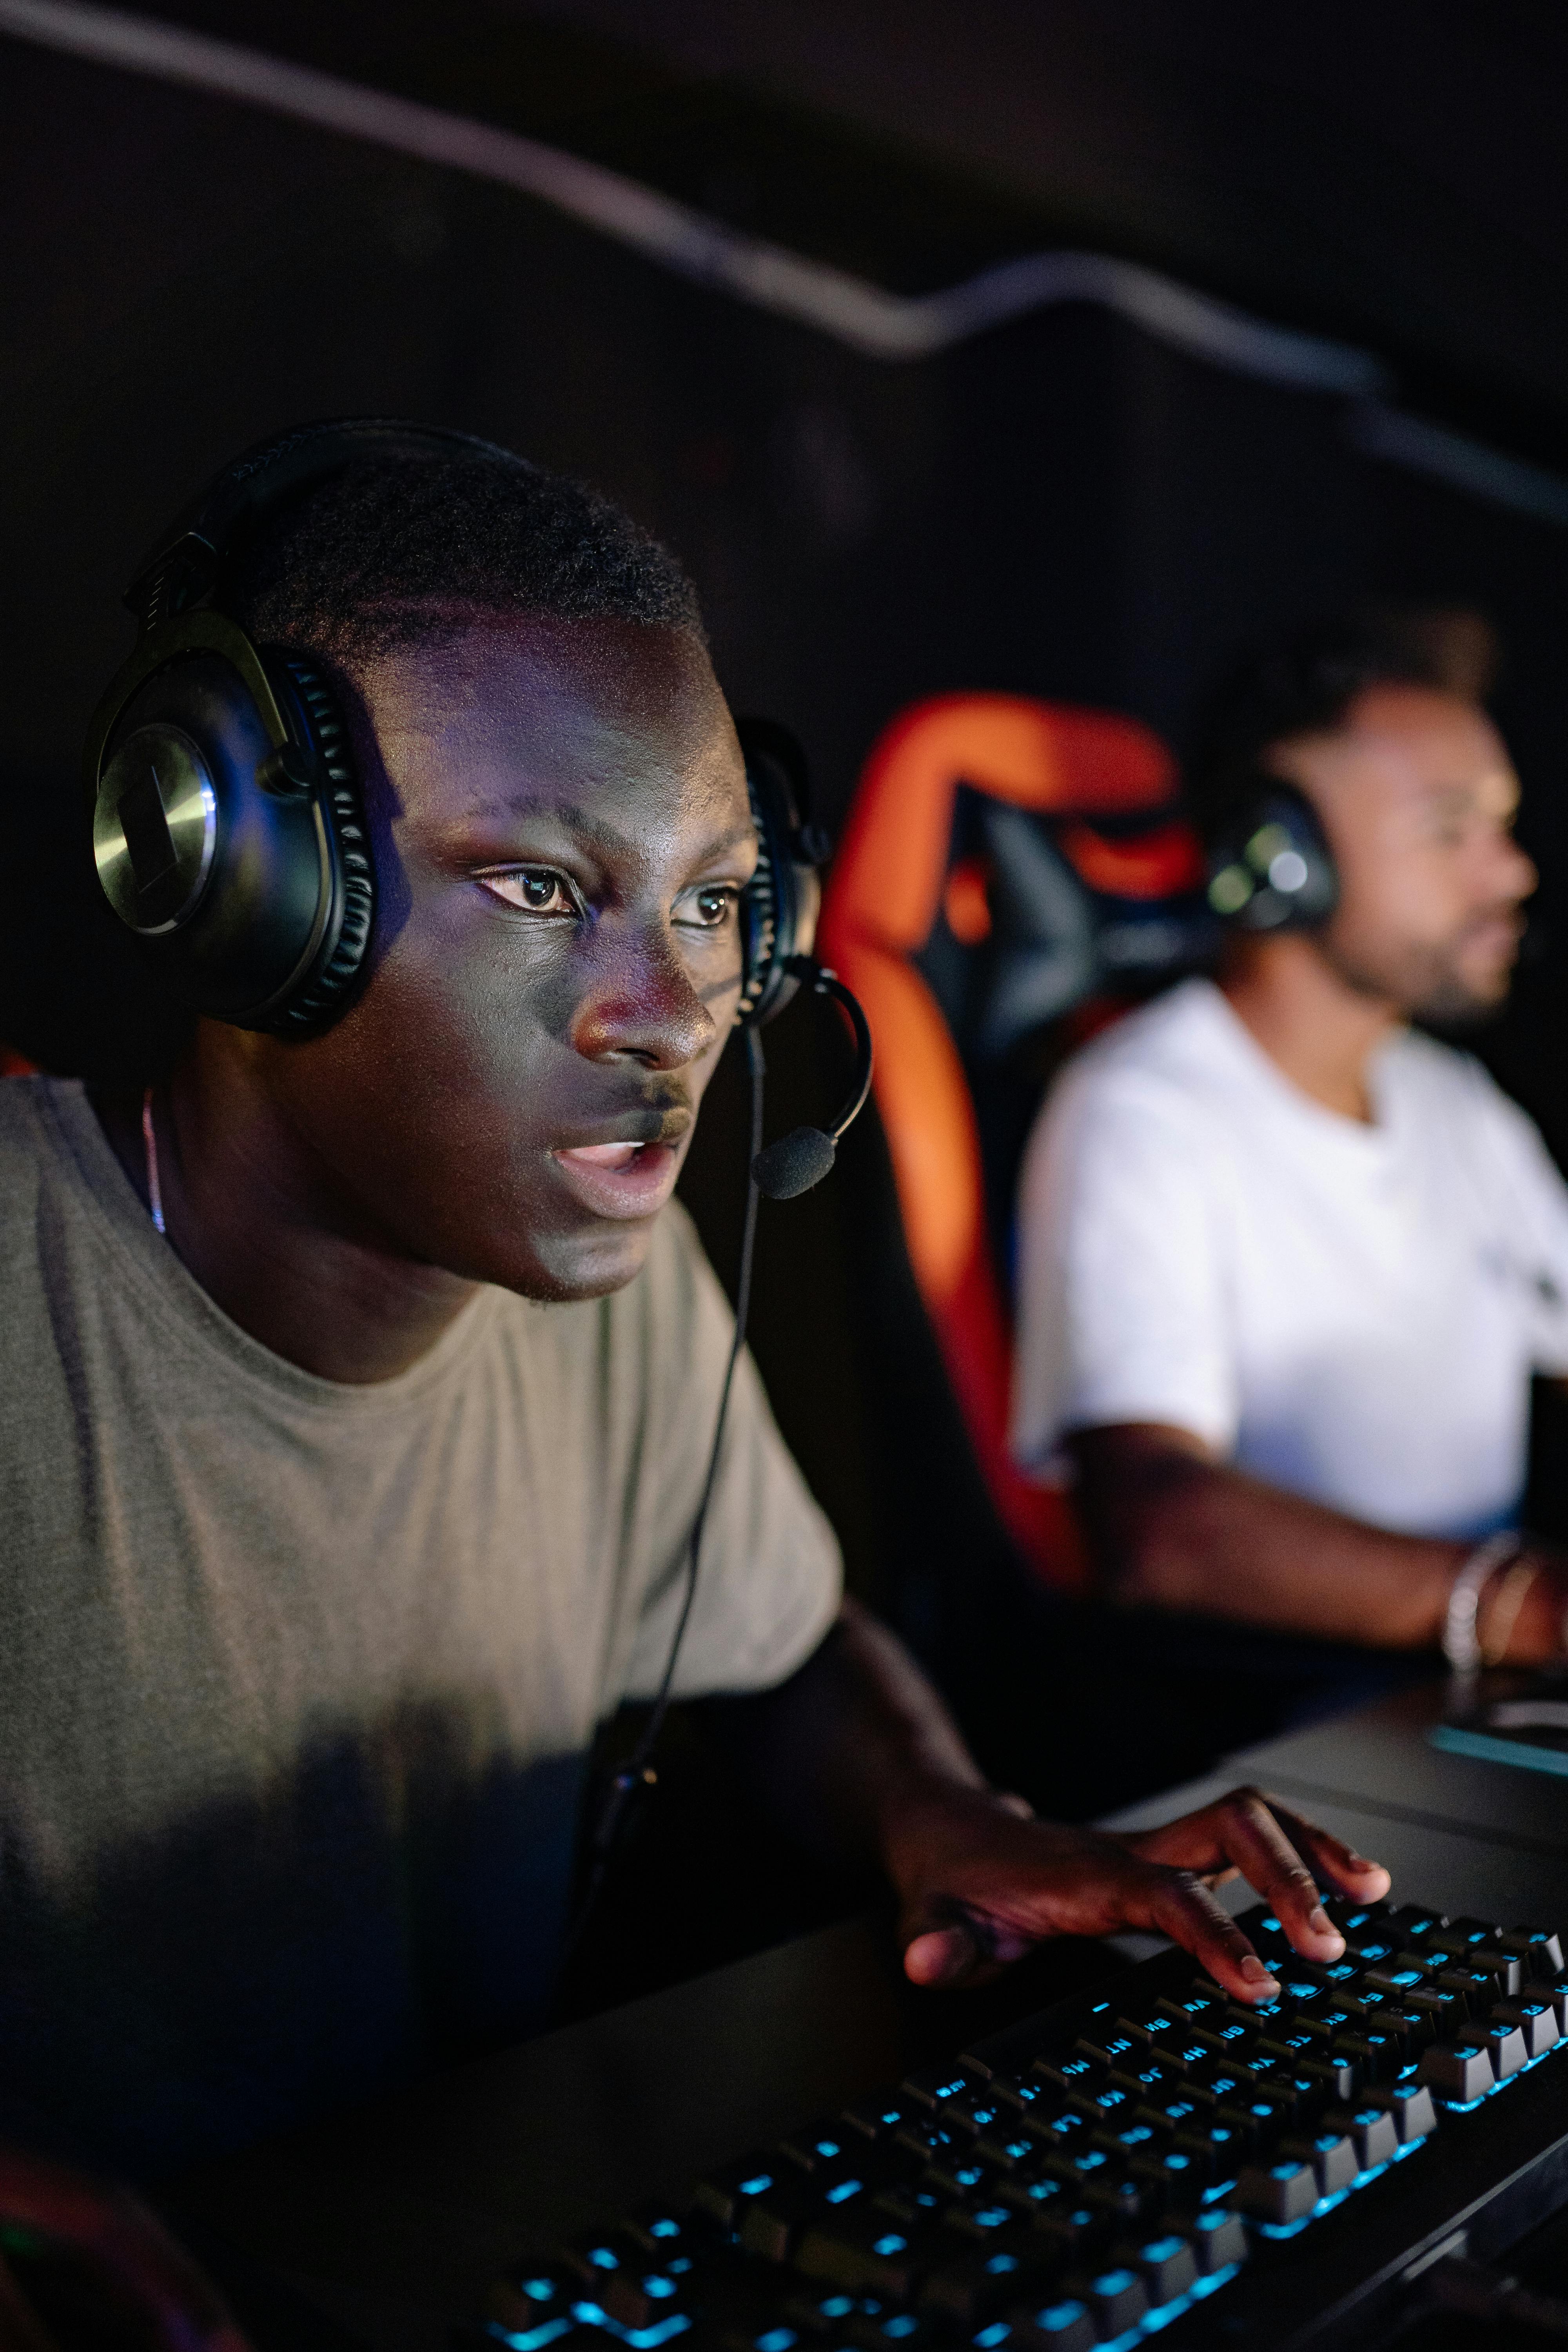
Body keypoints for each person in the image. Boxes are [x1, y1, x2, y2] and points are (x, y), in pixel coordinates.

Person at [0, 430, 1383, 2337]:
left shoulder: (609, 1282)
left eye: (724, 902)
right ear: (238, 875)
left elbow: (782, 1650)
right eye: (545, 890)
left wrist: (944, 1810)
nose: (671, 1014)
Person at [1012, 609, 1568, 1698]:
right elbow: (1160, 1530)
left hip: (1458, 1684)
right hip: (1268, 1723)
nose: (1509, 874)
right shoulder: (1143, 1112)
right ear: (1279, 861)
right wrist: (1532, 1608)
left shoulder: (1458, 1107)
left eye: (1500, 826)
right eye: (1450, 829)